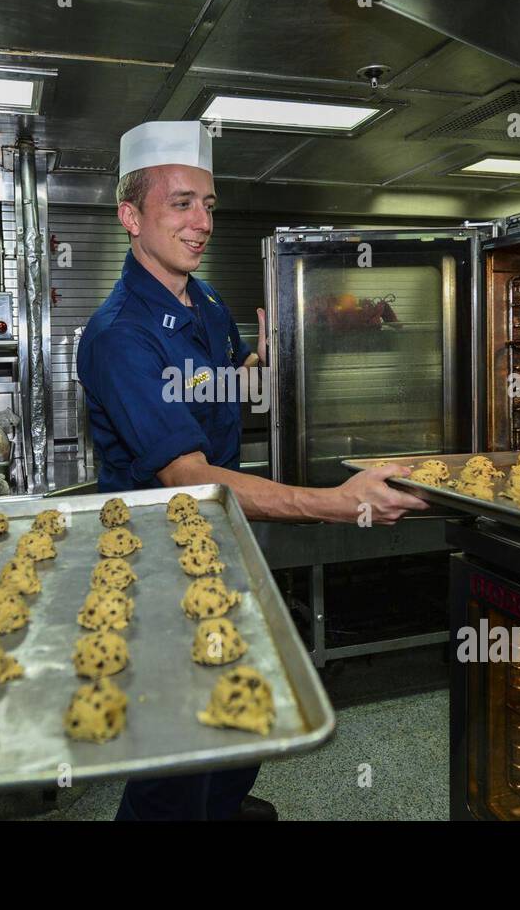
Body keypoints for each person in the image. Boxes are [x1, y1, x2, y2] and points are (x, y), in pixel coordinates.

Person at [77, 121, 430, 820]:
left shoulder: (204, 304)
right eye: (181, 203)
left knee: (244, 708)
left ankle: (225, 807)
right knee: (179, 745)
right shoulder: (120, 333)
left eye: (209, 204)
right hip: (158, 567)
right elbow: (189, 477)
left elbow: (216, 391)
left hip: (221, 549)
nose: (202, 222)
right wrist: (338, 502)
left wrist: (255, 367)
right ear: (131, 216)